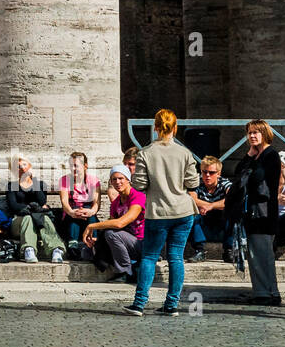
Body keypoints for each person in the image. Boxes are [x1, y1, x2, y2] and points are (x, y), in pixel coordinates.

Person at [125, 109, 198, 316]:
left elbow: (139, 184)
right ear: (175, 128)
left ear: (156, 127)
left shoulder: (146, 153)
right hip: (183, 211)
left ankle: (139, 304)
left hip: (158, 211)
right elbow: (193, 182)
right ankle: (171, 304)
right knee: (176, 257)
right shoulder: (184, 153)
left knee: (149, 257)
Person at [227, 119, 282, 306]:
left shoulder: (270, 155)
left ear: (265, 133)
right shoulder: (256, 156)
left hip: (263, 212)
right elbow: (238, 173)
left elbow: (256, 178)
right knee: (257, 253)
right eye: (250, 132)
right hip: (253, 212)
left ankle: (265, 293)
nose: (252, 136)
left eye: (256, 132)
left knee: (262, 254)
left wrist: (250, 164)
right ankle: (267, 291)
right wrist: (249, 156)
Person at [83, 166, 145, 283]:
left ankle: (126, 271)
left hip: (142, 243)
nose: (117, 182)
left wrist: (91, 226)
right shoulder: (116, 203)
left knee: (112, 234)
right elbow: (110, 225)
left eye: (121, 178)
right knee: (90, 249)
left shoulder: (138, 196)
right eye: (114, 179)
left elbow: (120, 223)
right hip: (127, 243)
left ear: (128, 179)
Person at [5, 153, 65, 263]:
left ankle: (56, 249)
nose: (22, 168)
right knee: (28, 218)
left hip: (39, 222)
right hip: (19, 222)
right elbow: (13, 206)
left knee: (44, 218)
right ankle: (29, 249)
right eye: (18, 166)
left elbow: (42, 201)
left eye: (24, 164)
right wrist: (31, 208)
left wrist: (34, 181)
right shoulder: (11, 185)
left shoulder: (40, 184)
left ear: (30, 166)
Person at [186, 156, 234, 263]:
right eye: (204, 172)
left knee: (232, 214)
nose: (207, 175)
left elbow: (232, 200)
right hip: (203, 221)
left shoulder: (224, 183)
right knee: (193, 214)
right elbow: (191, 199)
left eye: (211, 173)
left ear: (218, 173)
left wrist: (211, 206)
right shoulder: (197, 182)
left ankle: (228, 250)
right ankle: (200, 251)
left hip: (221, 222)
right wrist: (208, 205)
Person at [57, 151, 101, 261]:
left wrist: (91, 211)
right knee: (75, 214)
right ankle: (73, 247)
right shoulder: (64, 180)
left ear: (85, 166)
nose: (73, 169)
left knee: (90, 215)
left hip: (88, 215)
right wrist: (72, 212)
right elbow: (65, 202)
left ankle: (92, 244)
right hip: (70, 214)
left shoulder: (93, 180)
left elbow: (96, 202)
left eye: (76, 166)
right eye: (71, 166)